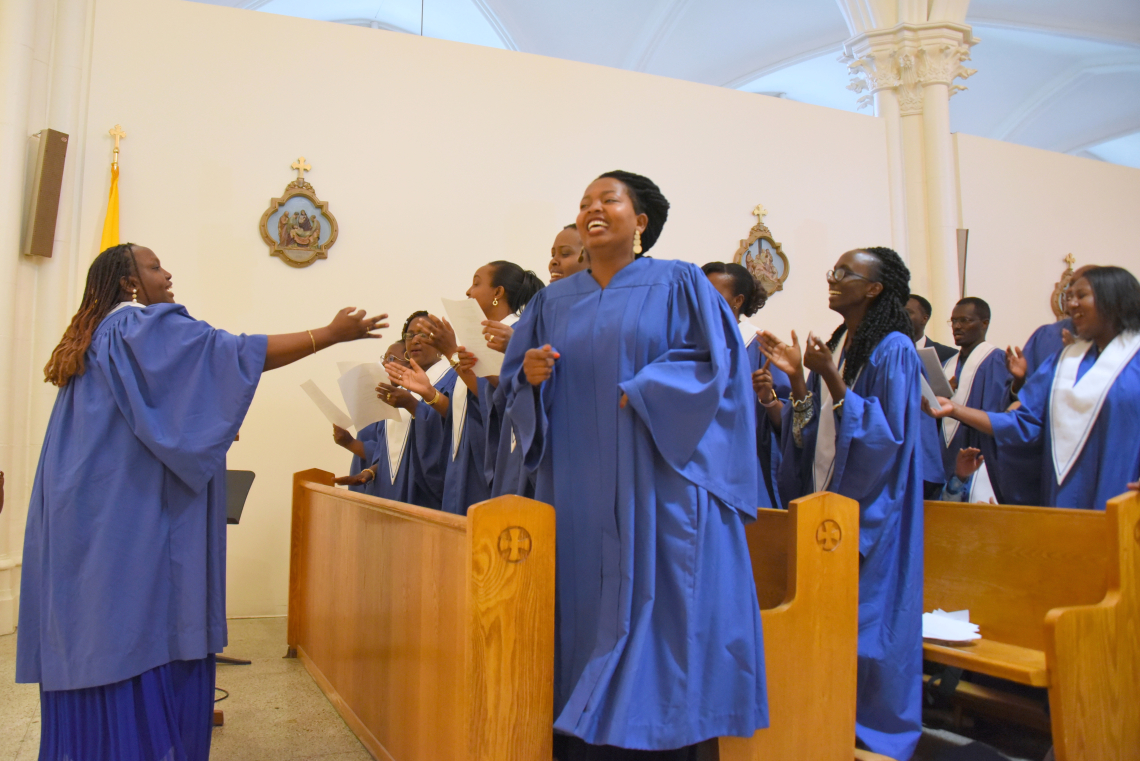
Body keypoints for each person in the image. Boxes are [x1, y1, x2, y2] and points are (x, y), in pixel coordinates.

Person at [16, 243, 386, 760]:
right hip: (123, 516)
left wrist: (206, 429)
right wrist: (327, 334)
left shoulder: (99, 335)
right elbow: (226, 354)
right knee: (133, 624)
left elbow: (147, 416)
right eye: (154, 267)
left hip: (87, 509)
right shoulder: (135, 325)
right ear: (127, 282)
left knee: (96, 627)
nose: (167, 274)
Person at [501, 171, 767, 759]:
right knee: (580, 607)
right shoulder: (550, 302)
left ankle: (659, 734)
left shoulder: (680, 282)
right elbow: (513, 387)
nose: (593, 209)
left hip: (658, 479)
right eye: (584, 203)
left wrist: (654, 386)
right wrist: (531, 378)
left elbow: (718, 366)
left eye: (608, 200)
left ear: (639, 220)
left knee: (661, 608)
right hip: (575, 485)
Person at [759, 246, 924, 760]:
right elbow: (813, 430)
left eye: (845, 273)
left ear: (874, 288)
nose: (833, 278)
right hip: (826, 501)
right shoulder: (839, 342)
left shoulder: (894, 348)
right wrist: (796, 378)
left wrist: (830, 374)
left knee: (868, 624)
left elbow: (887, 438)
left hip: (873, 509)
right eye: (833, 270)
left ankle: (873, 734)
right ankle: (823, 712)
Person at [927, 266, 1140, 510]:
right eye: (1070, 296)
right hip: (1063, 498)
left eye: (1081, 296)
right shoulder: (1063, 362)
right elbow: (1024, 422)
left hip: (1124, 494)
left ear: (1113, 300)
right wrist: (955, 409)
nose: (1071, 305)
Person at [419, 261, 544, 514]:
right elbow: (481, 398)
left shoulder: (518, 333)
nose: (468, 291)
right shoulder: (482, 339)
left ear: (498, 292)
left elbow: (502, 397)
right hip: (474, 453)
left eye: (476, 283)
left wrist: (451, 353)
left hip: (507, 454)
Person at [703, 260, 788, 510]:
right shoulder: (690, 343)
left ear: (737, 301)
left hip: (746, 468)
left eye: (713, 294)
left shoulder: (760, 347)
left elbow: (788, 421)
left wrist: (768, 398)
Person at [374, 311, 457, 509]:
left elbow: (459, 424)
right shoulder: (402, 388)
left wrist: (413, 405)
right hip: (399, 488)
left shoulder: (454, 378)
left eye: (424, 334)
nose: (415, 340)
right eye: (410, 335)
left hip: (430, 493)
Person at [940, 297, 1009, 501]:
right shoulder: (946, 365)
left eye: (965, 320)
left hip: (979, 459)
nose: (957, 326)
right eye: (953, 321)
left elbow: (995, 415)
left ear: (984, 323)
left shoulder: (997, 361)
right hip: (944, 459)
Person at [330, 340, 408, 497]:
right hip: (363, 486)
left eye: (391, 358)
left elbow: (392, 454)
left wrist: (350, 443)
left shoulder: (406, 403)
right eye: (384, 358)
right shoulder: (380, 399)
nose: (384, 363)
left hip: (386, 491)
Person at [906, 294, 956, 363]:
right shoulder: (890, 351)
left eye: (907, 312)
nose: (900, 316)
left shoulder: (949, 356)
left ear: (924, 319)